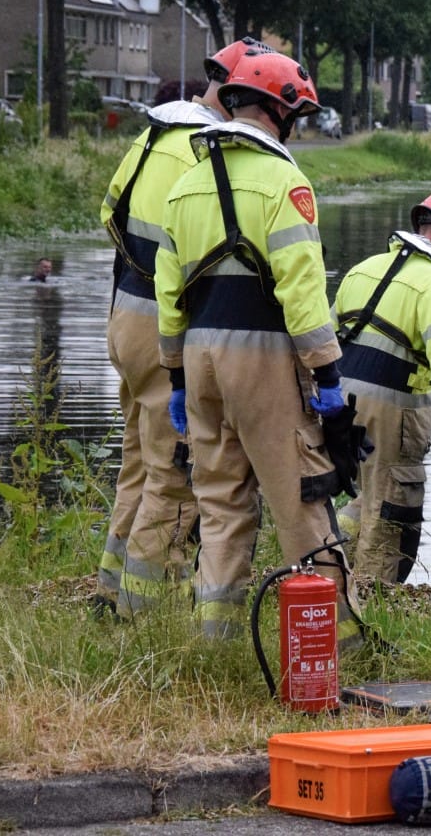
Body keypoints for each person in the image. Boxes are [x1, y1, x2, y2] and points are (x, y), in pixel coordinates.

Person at [155, 47, 360, 648]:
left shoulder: (185, 185)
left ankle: (213, 642)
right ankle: (337, 644)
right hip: (263, 354)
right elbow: (301, 289)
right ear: (281, 111)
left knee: (218, 503)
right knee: (304, 494)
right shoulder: (284, 180)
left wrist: (175, 378)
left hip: (199, 357)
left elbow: (171, 297)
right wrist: (326, 372)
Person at [92, 39, 257, 617]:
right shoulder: (205, 152)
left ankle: (109, 586)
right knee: (174, 475)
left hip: (122, 319)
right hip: (165, 327)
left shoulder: (152, 136)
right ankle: (139, 612)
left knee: (137, 463)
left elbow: (109, 213)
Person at [333, 191, 431, 584]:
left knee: (364, 497)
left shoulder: (363, 269)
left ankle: (329, 572)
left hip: (340, 403)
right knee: (392, 509)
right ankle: (371, 604)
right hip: (394, 410)